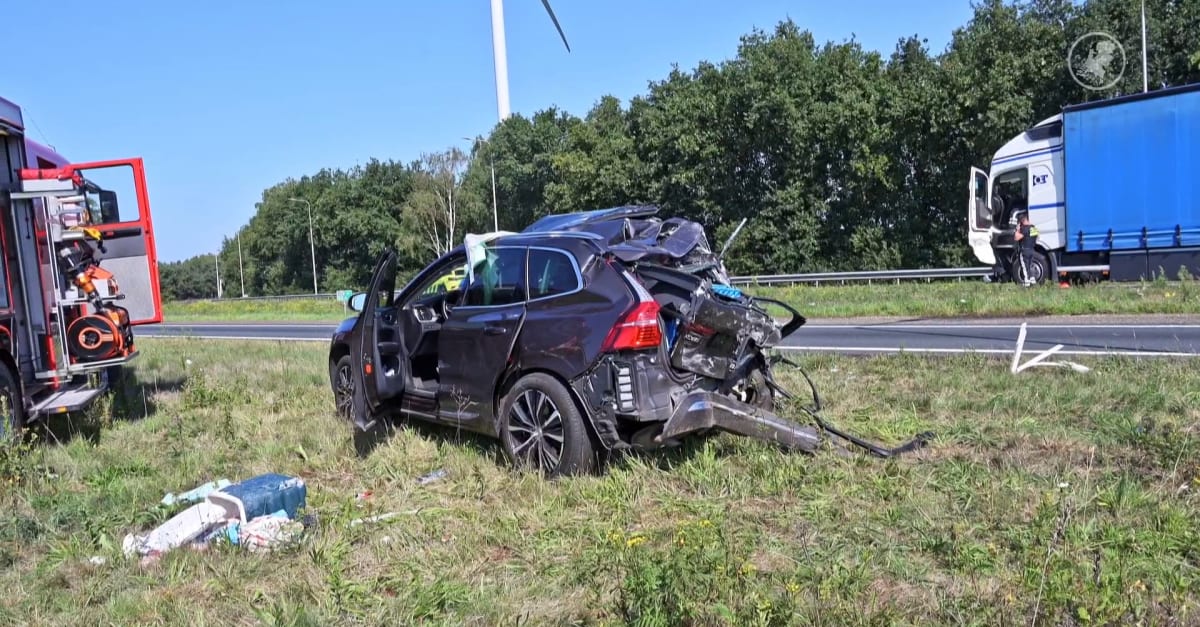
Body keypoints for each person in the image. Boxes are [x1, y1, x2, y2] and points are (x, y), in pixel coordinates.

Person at [1013, 211, 1040, 286]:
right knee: (1030, 265)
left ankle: (1027, 282)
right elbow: (1038, 237)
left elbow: (1016, 238)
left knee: (1025, 267)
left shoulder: (1024, 229)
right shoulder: (1033, 228)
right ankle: (1032, 280)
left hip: (1024, 250)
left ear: (1022, 220)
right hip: (1032, 249)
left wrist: (1017, 230)